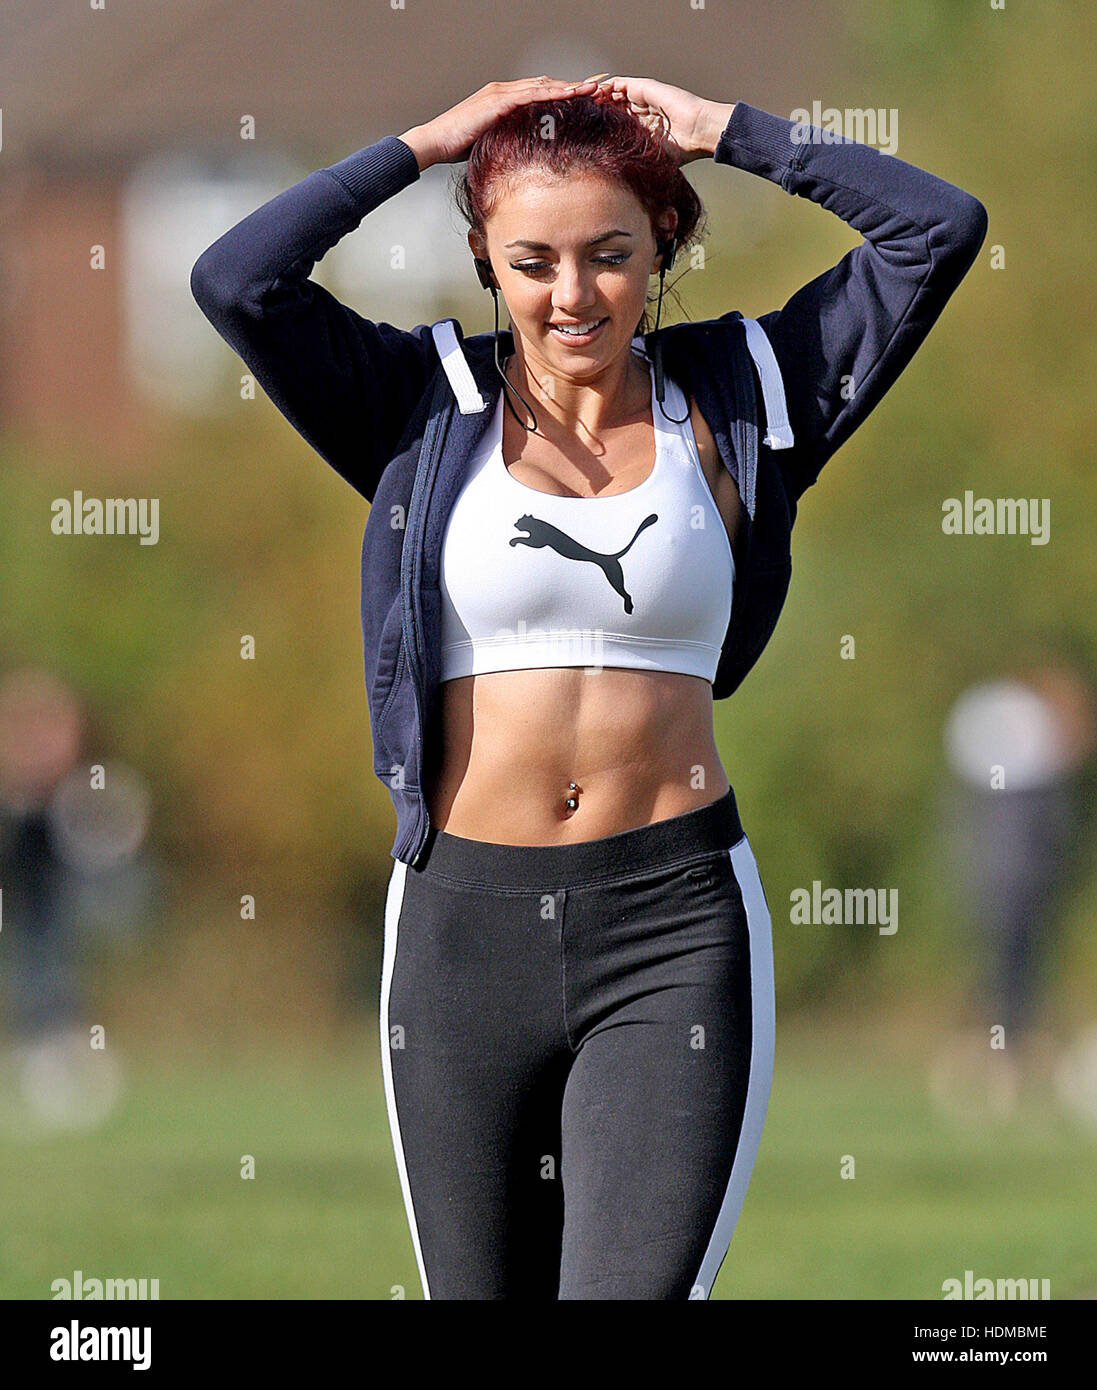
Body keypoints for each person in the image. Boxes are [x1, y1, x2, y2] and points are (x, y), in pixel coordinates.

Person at [191, 73, 987, 1299]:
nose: (572, 295)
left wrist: (726, 132)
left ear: (664, 241)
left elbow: (935, 229)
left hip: (670, 925)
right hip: (461, 932)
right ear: (484, 260)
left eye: (611, 255)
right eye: (532, 260)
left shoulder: (748, 390)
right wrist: (426, 143)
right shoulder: (416, 406)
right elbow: (236, 281)